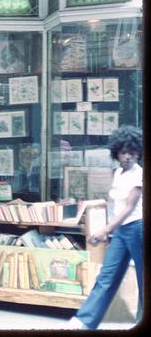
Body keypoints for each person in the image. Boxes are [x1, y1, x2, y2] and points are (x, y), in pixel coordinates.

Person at [69, 125, 143, 329]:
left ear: (138, 152)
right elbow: (114, 205)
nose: (127, 156)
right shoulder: (118, 172)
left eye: (132, 152)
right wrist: (109, 229)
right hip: (120, 231)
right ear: (116, 152)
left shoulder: (139, 174)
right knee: (107, 276)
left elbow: (129, 207)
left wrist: (104, 230)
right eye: (123, 152)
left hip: (138, 228)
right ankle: (84, 321)